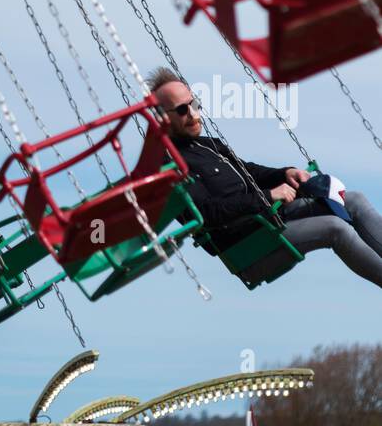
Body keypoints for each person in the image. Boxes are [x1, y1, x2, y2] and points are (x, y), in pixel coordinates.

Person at [147, 66, 382, 290]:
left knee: (353, 200)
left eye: (194, 104)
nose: (193, 114)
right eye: (182, 110)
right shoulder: (168, 167)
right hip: (248, 244)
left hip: (270, 218)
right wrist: (269, 196)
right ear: (161, 117)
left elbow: (248, 171)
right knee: (335, 228)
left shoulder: (208, 145)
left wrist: (285, 173)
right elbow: (207, 215)